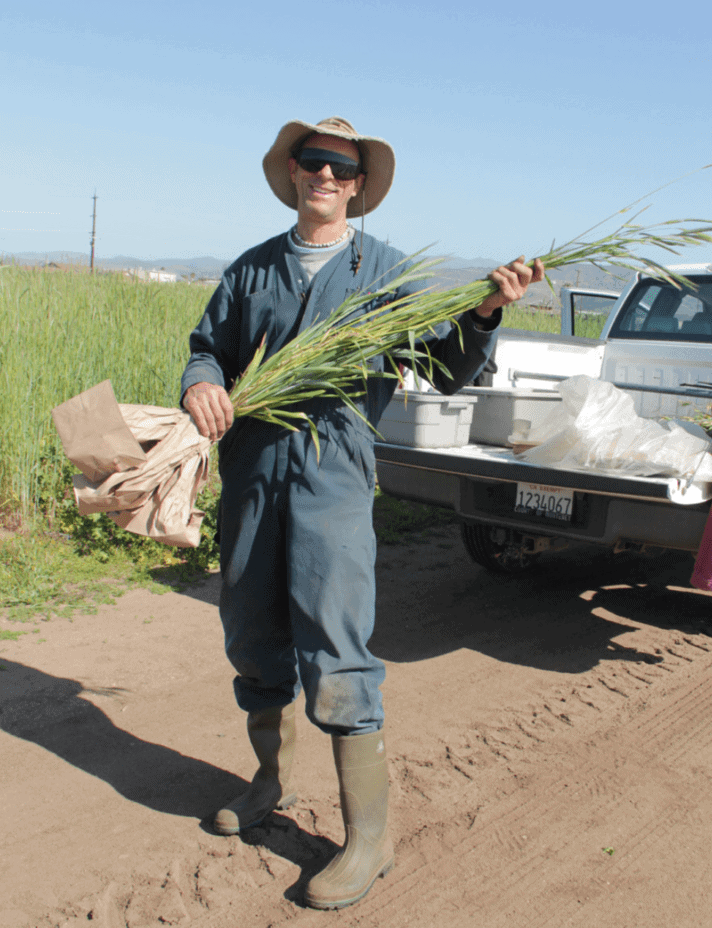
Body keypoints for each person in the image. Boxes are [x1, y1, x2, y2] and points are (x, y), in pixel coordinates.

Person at [180, 116, 544, 909]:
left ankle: (368, 839)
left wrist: (483, 314)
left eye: (341, 167)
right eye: (313, 161)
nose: (326, 175)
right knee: (251, 633)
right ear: (293, 172)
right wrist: (200, 381)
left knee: (336, 647)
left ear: (357, 185)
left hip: (333, 483)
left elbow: (444, 370)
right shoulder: (252, 270)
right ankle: (268, 782)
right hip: (251, 480)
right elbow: (207, 346)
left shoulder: (386, 273)